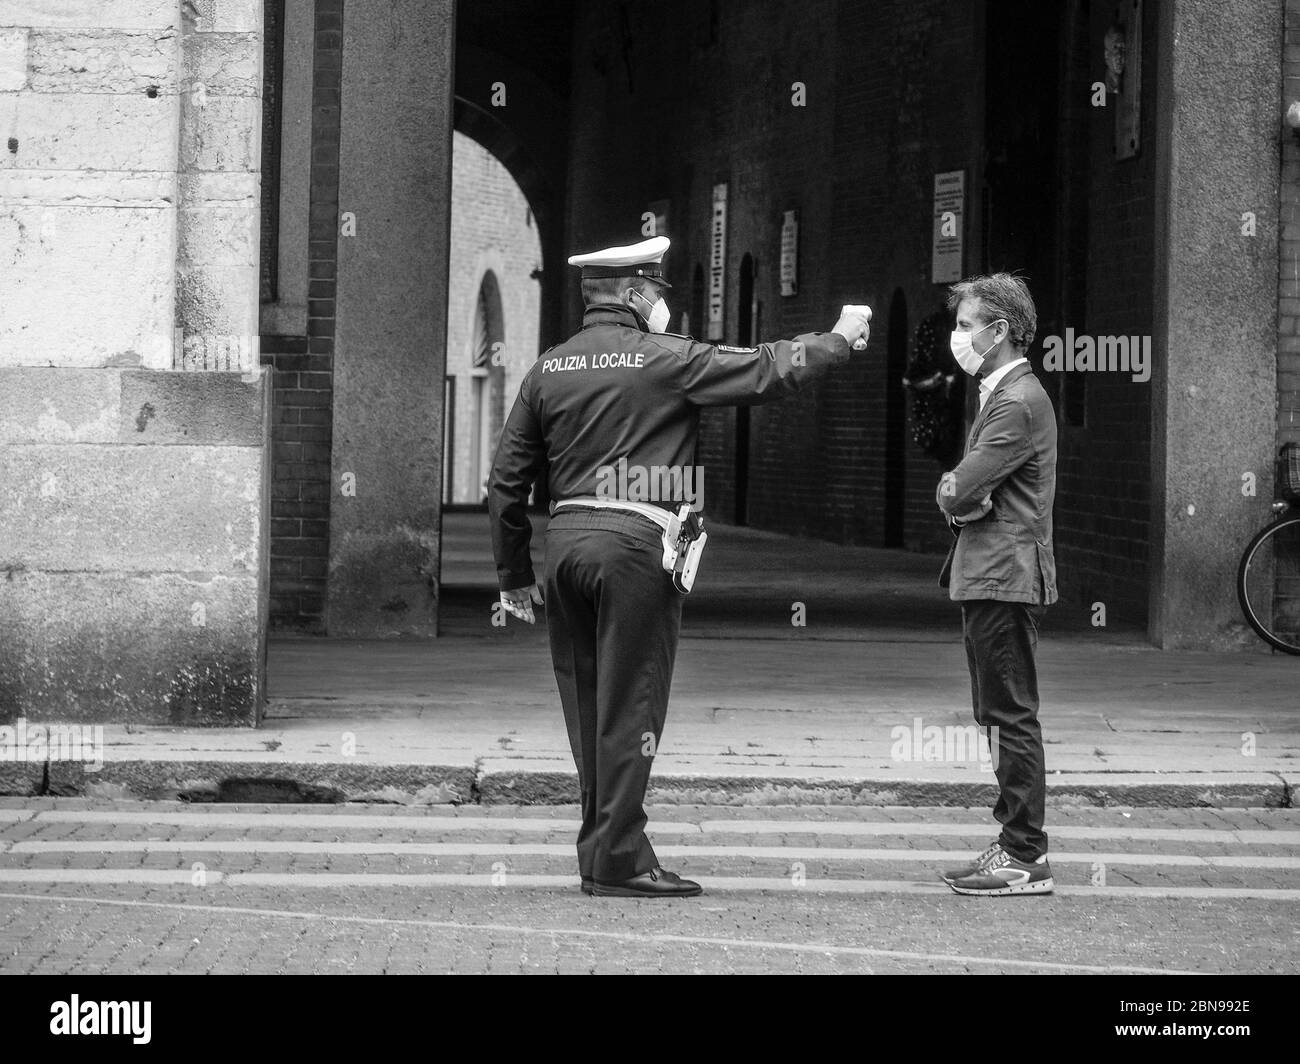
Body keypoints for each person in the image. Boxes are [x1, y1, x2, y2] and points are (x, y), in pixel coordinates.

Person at [488, 235, 871, 898]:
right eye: (659, 293)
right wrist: (836, 339)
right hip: (635, 547)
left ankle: (605, 848)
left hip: (566, 548)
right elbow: (764, 369)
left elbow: (505, 482)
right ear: (635, 294)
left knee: (589, 707)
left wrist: (513, 574)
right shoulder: (665, 358)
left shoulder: (547, 368)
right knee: (632, 704)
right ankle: (620, 861)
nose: (665, 306)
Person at [934, 272, 1058, 896]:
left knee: (1010, 714)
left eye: (965, 325)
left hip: (1003, 576)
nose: (958, 337)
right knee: (1000, 711)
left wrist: (956, 496)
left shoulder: (1014, 402)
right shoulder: (1002, 394)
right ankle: (1014, 846)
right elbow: (969, 491)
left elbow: (957, 486)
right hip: (992, 575)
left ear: (999, 330)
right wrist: (966, 498)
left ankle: (1024, 856)